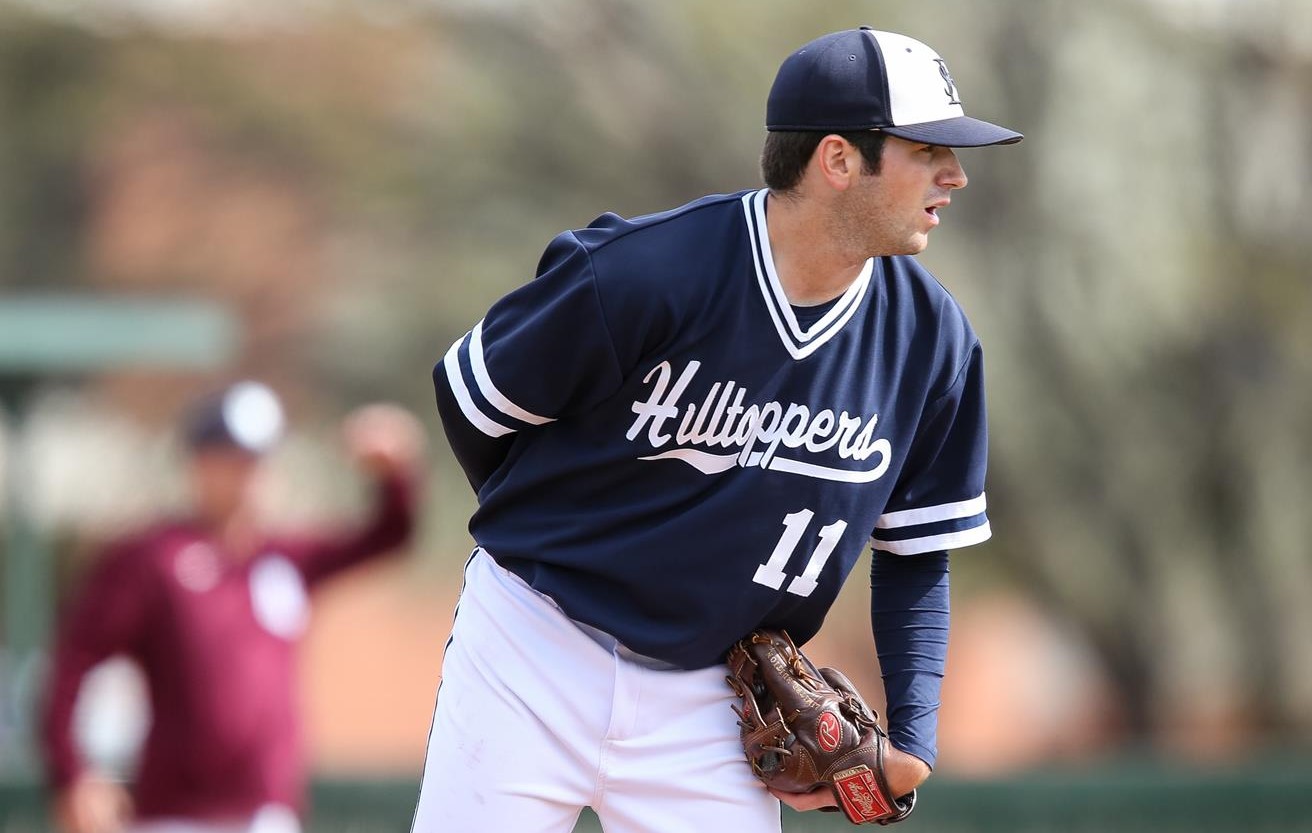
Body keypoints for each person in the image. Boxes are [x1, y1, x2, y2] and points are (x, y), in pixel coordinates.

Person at [415, 26, 1020, 832]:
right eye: (928, 150)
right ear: (839, 160)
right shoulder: (646, 273)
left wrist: (913, 738)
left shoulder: (931, 341)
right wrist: (555, 535)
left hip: (717, 693)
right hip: (532, 646)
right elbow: (475, 401)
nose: (955, 174)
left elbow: (915, 552)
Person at [40, 381, 424, 833]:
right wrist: (74, 775)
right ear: (198, 462)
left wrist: (396, 474)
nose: (248, 475)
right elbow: (74, 662)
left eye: (258, 460)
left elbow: (387, 535)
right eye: (232, 458)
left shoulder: (284, 559)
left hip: (268, 813)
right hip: (175, 816)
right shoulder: (153, 558)